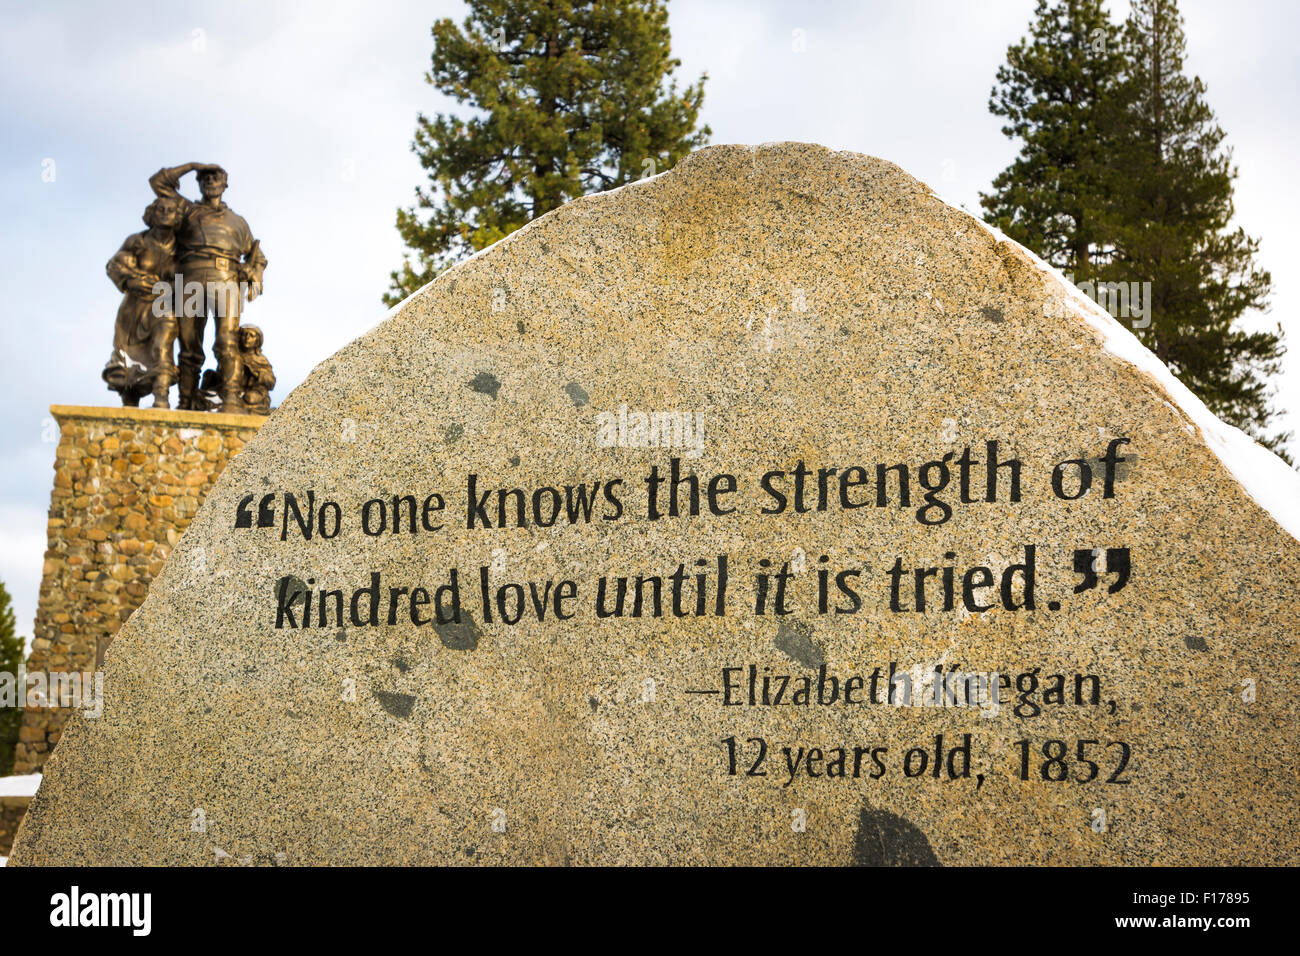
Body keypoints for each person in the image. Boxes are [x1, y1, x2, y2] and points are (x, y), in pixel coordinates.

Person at [148, 162, 268, 412]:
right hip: (189, 277)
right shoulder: (187, 211)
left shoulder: (238, 222)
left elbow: (258, 257)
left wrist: (254, 272)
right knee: (189, 345)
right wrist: (192, 166)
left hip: (225, 279)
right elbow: (158, 182)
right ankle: (186, 400)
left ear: (225, 183)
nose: (210, 181)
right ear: (199, 183)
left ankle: (232, 399)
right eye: (205, 177)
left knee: (226, 341)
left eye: (216, 177)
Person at [102, 196, 183, 407]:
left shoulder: (183, 247)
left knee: (162, 344)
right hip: (134, 309)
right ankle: (130, 402)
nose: (165, 213)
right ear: (151, 214)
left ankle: (161, 397)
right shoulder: (137, 241)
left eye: (170, 210)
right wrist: (131, 280)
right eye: (160, 209)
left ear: (178, 217)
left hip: (163, 305)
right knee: (128, 357)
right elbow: (114, 265)